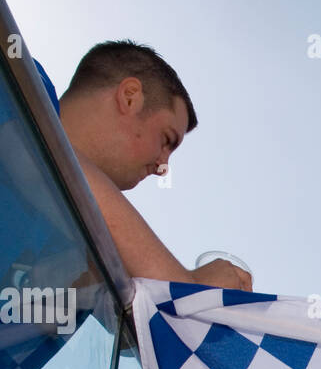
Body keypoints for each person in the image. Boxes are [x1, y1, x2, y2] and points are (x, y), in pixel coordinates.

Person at [55, 40, 252, 293]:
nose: (163, 166)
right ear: (129, 98)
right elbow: (48, 156)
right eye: (167, 140)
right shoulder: (4, 84)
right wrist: (187, 289)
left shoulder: (72, 245)